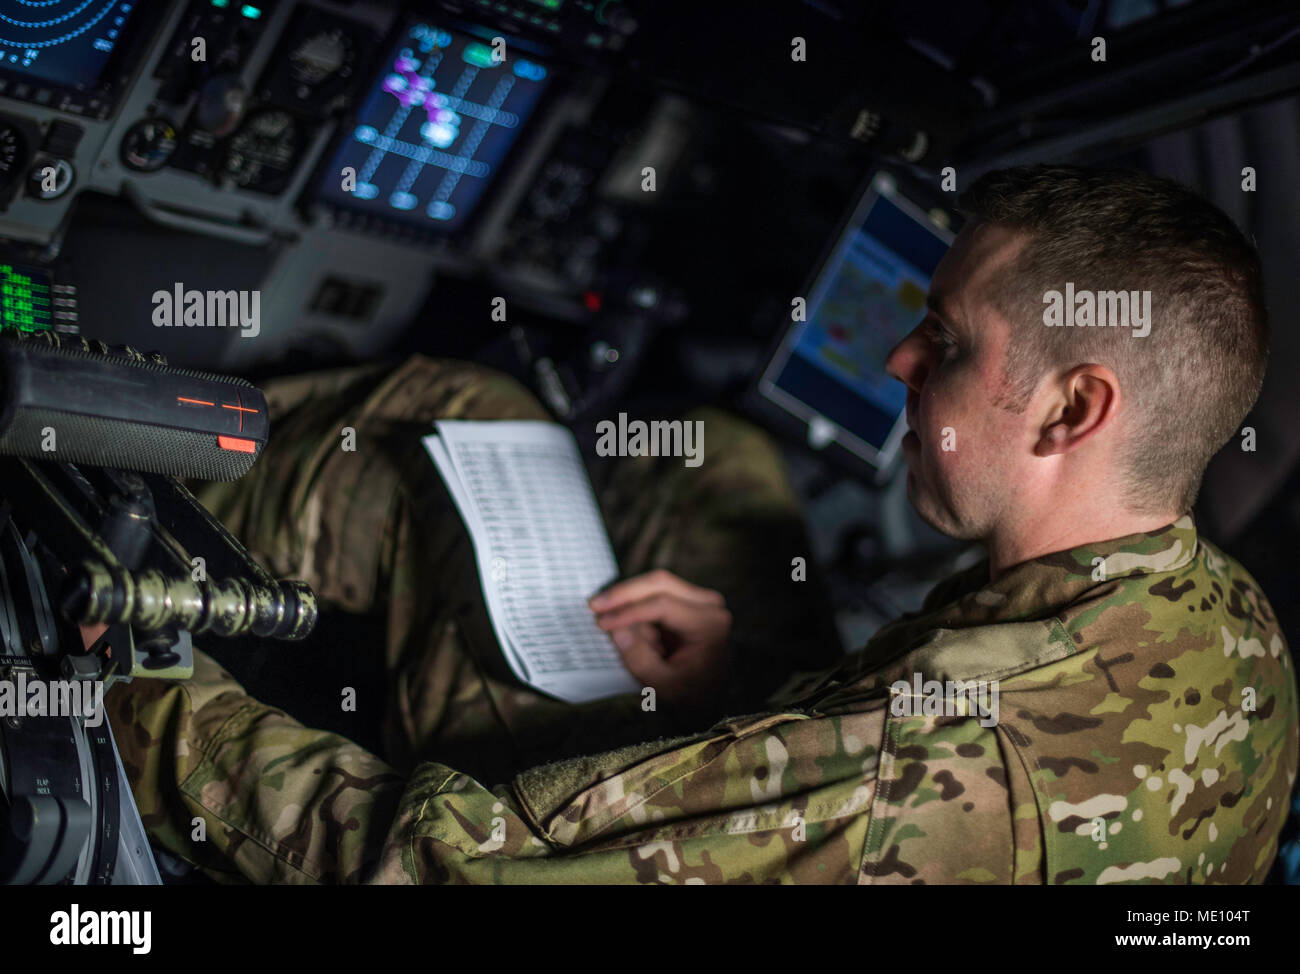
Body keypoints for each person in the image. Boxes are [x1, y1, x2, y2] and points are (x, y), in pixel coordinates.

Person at [107, 165, 1299, 884]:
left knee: (452, 414)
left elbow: (435, 870)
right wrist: (744, 684)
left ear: (1073, 406)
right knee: (726, 460)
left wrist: (139, 697)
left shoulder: (917, 772)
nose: (897, 356)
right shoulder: (1227, 625)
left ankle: (108, 503)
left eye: (943, 340)